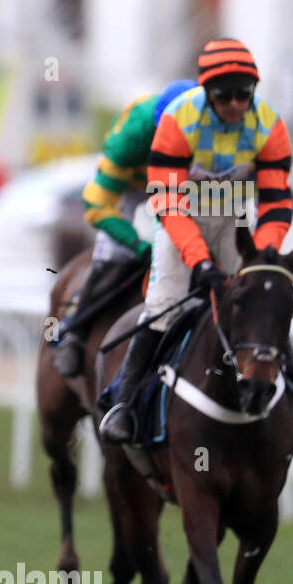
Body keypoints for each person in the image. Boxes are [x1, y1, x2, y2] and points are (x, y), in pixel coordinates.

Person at [99, 38, 293, 443]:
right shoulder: (177, 120)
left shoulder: (270, 125)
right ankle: (124, 402)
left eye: (245, 94)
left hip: (233, 223)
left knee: (259, 297)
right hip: (179, 220)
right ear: (207, 92)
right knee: (164, 304)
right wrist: (200, 262)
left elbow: (276, 198)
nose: (237, 104)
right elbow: (166, 201)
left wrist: (269, 246)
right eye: (226, 96)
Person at [50, 78, 194, 377]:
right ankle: (74, 331)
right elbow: (97, 204)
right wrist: (136, 244)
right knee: (114, 254)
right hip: (132, 186)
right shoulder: (132, 134)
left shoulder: (213, 132)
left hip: (180, 188)